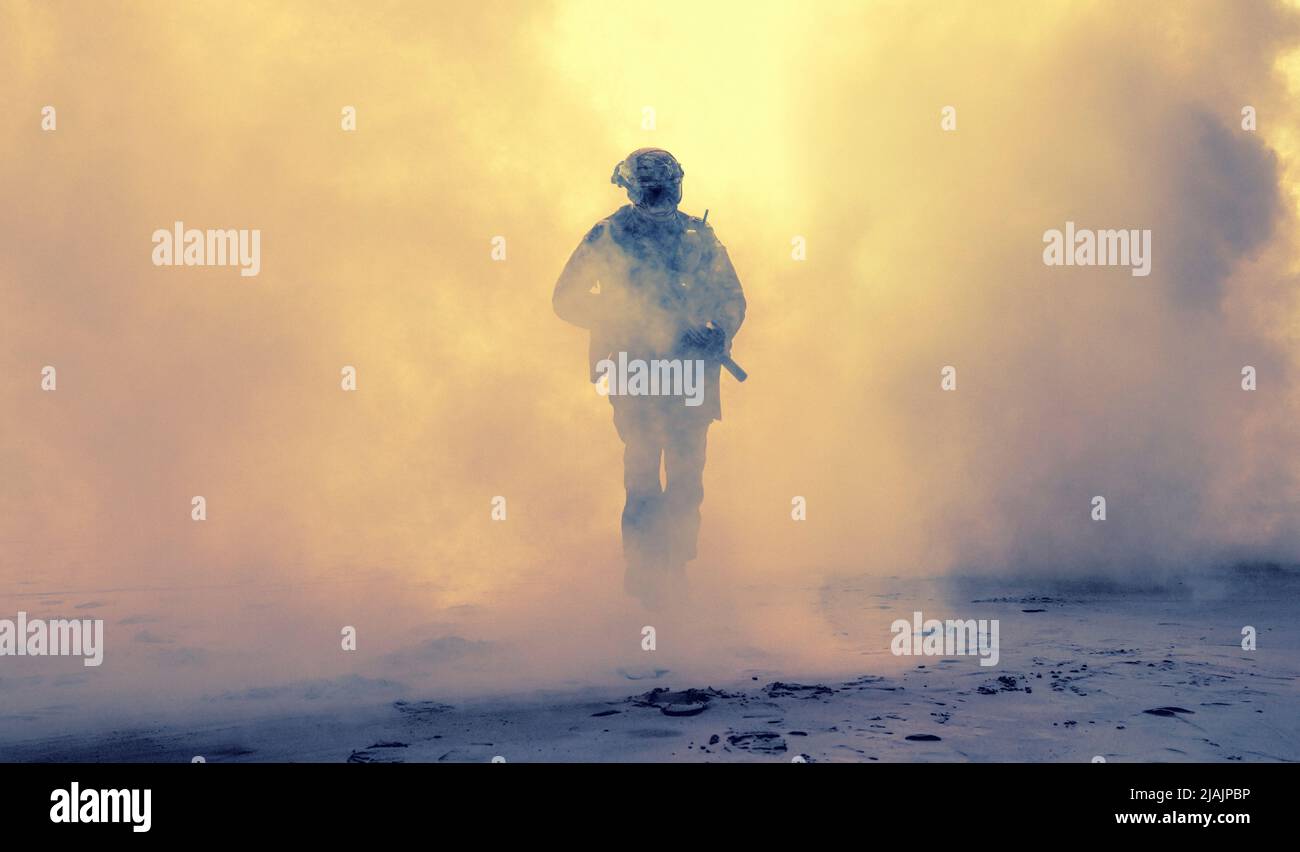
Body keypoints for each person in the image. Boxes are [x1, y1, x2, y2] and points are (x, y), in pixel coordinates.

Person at [553, 148, 746, 605]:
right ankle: (642, 571)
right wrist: (625, 316)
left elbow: (731, 298)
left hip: (690, 373)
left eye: (665, 186)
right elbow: (567, 300)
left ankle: (674, 567)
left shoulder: (699, 238)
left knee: (686, 476)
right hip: (635, 369)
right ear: (633, 188)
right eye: (652, 187)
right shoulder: (608, 236)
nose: (660, 195)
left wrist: (720, 332)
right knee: (641, 470)